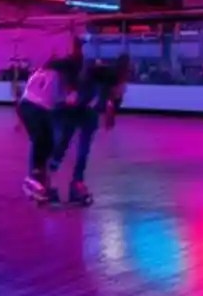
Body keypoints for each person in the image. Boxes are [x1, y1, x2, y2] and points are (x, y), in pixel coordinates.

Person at [49, 55, 128, 205]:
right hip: (77, 109)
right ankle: (63, 178)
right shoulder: (101, 80)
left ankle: (68, 178)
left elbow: (110, 102)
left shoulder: (102, 82)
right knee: (70, 142)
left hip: (82, 110)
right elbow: (110, 100)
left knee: (74, 144)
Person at [18, 53, 82, 203]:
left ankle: (39, 177)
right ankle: (34, 177)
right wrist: (71, 98)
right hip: (37, 108)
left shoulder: (43, 71)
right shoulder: (57, 77)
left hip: (28, 106)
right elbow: (57, 99)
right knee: (42, 141)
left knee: (44, 141)